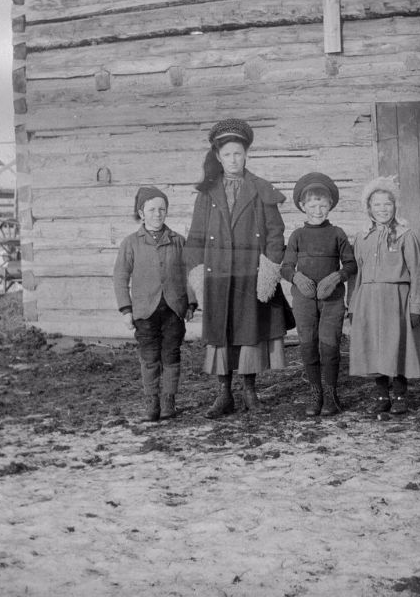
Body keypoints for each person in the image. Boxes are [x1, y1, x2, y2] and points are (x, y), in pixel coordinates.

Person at [185, 118, 291, 418]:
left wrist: (268, 272)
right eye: (227, 154)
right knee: (221, 335)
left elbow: (275, 233)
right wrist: (198, 277)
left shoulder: (260, 189)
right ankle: (224, 394)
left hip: (250, 275)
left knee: (249, 334)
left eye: (238, 154)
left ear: (246, 155)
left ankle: (250, 392)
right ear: (218, 157)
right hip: (217, 276)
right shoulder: (207, 194)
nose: (233, 159)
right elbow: (194, 239)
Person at [113, 186, 196, 423]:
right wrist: (126, 310)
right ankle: (152, 402)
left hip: (173, 309)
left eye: (162, 209)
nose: (157, 214)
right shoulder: (131, 243)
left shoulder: (178, 241)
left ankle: (169, 400)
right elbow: (120, 276)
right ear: (141, 213)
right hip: (144, 311)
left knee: (171, 354)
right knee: (150, 357)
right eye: (152, 209)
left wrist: (190, 303)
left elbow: (189, 272)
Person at [349, 176, 420, 415]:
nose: (382, 209)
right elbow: (358, 273)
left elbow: (417, 273)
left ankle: (401, 395)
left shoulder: (406, 235)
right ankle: (382, 395)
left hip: (397, 298)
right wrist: (353, 306)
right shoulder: (362, 237)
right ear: (369, 208)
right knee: (374, 347)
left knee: (399, 345)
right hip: (369, 299)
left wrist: (416, 306)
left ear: (395, 206)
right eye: (377, 205)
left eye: (387, 204)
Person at [281, 172, 357, 416]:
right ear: (303, 206)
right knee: (308, 346)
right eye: (312, 204)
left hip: (332, 299)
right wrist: (296, 277)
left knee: (329, 346)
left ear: (330, 205)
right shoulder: (297, 235)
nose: (317, 209)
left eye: (323, 204)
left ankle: (331, 396)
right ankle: (316, 395)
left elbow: (351, 264)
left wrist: (336, 277)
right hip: (304, 299)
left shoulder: (337, 233)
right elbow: (285, 266)